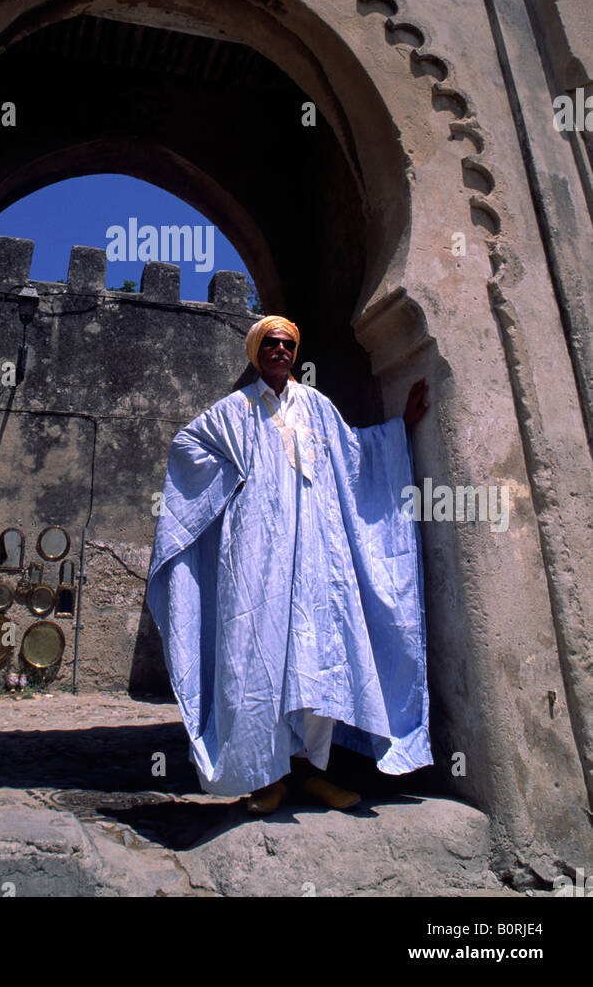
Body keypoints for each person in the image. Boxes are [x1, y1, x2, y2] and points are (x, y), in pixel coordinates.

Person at [146, 314, 431, 814]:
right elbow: (186, 445)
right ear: (256, 353)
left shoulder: (316, 406)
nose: (280, 350)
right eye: (271, 343)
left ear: (294, 353)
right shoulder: (235, 412)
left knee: (318, 660)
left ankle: (312, 776)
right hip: (256, 558)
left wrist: (398, 430)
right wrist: (229, 478)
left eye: (287, 344)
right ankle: (267, 779)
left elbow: (354, 452)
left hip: (319, 556)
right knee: (256, 660)